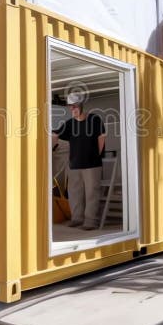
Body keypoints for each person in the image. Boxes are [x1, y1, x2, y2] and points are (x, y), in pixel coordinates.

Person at [52, 92, 106, 230]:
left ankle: (91, 222)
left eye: (75, 106)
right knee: (75, 193)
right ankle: (77, 218)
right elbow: (55, 134)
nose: (72, 109)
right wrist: (53, 146)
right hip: (74, 165)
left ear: (81, 105)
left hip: (92, 164)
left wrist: (97, 156)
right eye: (70, 106)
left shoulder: (94, 119)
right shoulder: (69, 124)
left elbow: (101, 138)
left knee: (91, 193)